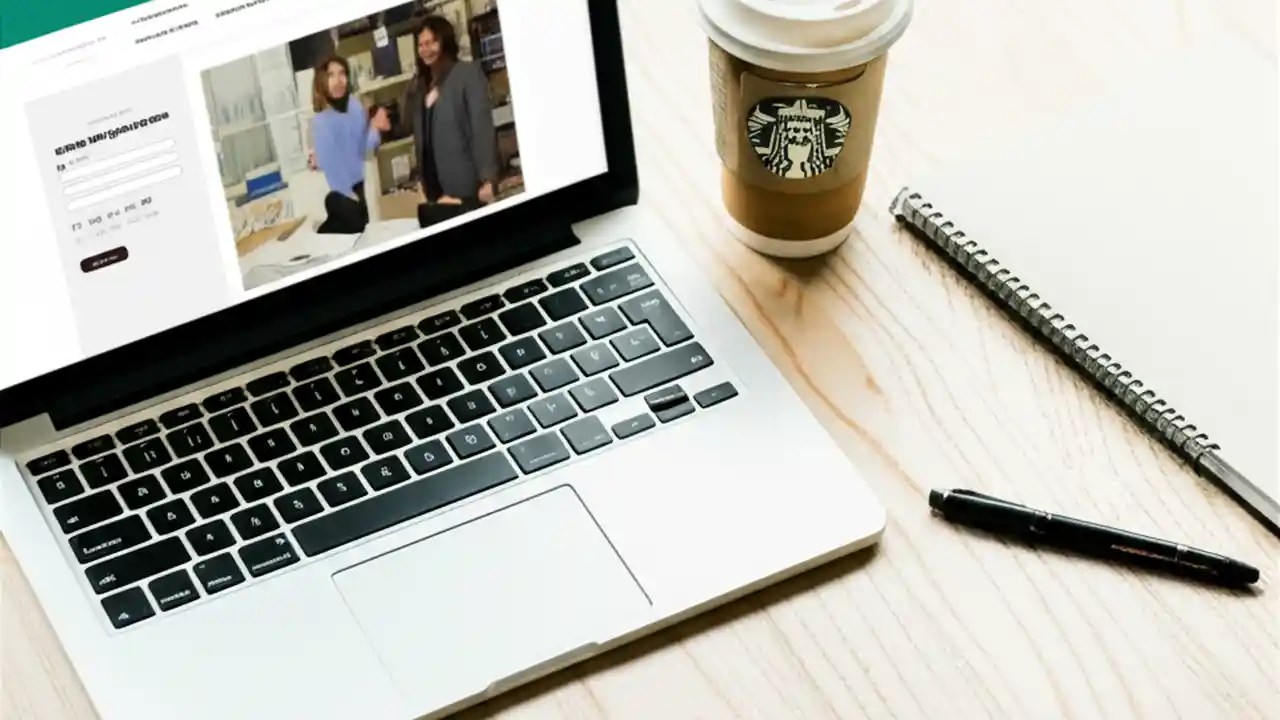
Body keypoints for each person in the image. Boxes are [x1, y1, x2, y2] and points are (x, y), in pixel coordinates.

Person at [401, 15, 500, 208]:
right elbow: (407, 124)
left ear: (445, 42)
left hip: (466, 184)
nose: (425, 49)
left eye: (431, 42)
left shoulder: (467, 74)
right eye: (421, 45)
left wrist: (488, 178)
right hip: (433, 189)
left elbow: (481, 128)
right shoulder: (420, 86)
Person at [311, 55, 391, 233]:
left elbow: (363, 149)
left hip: (361, 187)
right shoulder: (321, 121)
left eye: (342, 74)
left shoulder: (355, 107)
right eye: (331, 75)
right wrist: (348, 195)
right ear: (322, 81)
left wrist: (375, 127)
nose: (338, 80)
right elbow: (332, 167)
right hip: (341, 196)